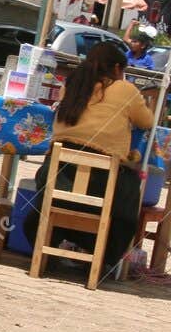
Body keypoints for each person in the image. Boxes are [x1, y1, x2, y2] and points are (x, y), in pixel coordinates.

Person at [28, 40, 153, 273]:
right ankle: (103, 257)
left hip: (57, 176)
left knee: (45, 191)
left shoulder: (72, 84)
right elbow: (146, 122)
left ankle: (50, 244)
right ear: (117, 68)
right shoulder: (125, 89)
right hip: (101, 183)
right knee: (127, 193)